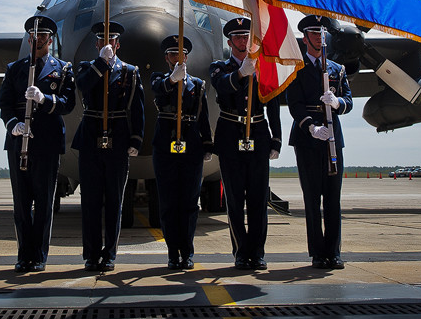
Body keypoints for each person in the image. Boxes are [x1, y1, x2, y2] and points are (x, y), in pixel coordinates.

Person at [0, 15, 75, 273]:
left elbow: (68, 103)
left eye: (42, 35)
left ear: (50, 40)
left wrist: (45, 99)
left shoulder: (63, 69)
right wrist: (13, 125)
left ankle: (39, 256)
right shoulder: (15, 68)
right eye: (34, 34)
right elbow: (5, 104)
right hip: (19, 141)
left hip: (47, 142)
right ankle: (23, 255)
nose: (37, 38)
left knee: (43, 203)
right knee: (21, 203)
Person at [209, 16, 282, 271]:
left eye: (246, 37)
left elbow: (272, 103)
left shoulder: (264, 67)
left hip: (259, 135)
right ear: (230, 42)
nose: (243, 41)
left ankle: (258, 252)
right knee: (234, 199)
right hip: (231, 136)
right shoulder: (220, 66)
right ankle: (241, 252)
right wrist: (241, 73)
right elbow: (220, 86)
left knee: (258, 199)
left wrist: (277, 139)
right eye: (238, 38)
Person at [73, 21, 145, 272]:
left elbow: (137, 108)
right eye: (102, 41)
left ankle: (110, 254)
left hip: (118, 137)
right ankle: (91, 254)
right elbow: (82, 86)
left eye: (111, 41)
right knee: (91, 200)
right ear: (97, 44)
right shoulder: (87, 67)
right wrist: (100, 64)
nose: (107, 44)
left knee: (115, 200)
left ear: (118, 44)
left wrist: (136, 139)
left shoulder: (130, 72)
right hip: (91, 136)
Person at [285, 14, 353, 270]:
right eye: (314, 33)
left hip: (333, 139)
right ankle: (317, 252)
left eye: (322, 33)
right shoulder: (297, 68)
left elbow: (349, 100)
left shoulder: (337, 69)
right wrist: (310, 127)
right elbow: (294, 104)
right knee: (312, 198)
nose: (318, 37)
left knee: (333, 198)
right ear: (305, 38)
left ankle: (333, 252)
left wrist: (338, 103)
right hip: (308, 138)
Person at [150, 34, 212, 270]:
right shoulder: (160, 79)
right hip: (165, 145)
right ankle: (172, 251)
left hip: (191, 147)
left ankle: (187, 252)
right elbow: (158, 90)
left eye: (182, 53)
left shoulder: (197, 85)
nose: (178, 57)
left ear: (187, 57)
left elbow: (202, 116)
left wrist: (207, 144)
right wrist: (172, 81)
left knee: (188, 203)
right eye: (173, 53)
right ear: (167, 58)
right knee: (168, 202)